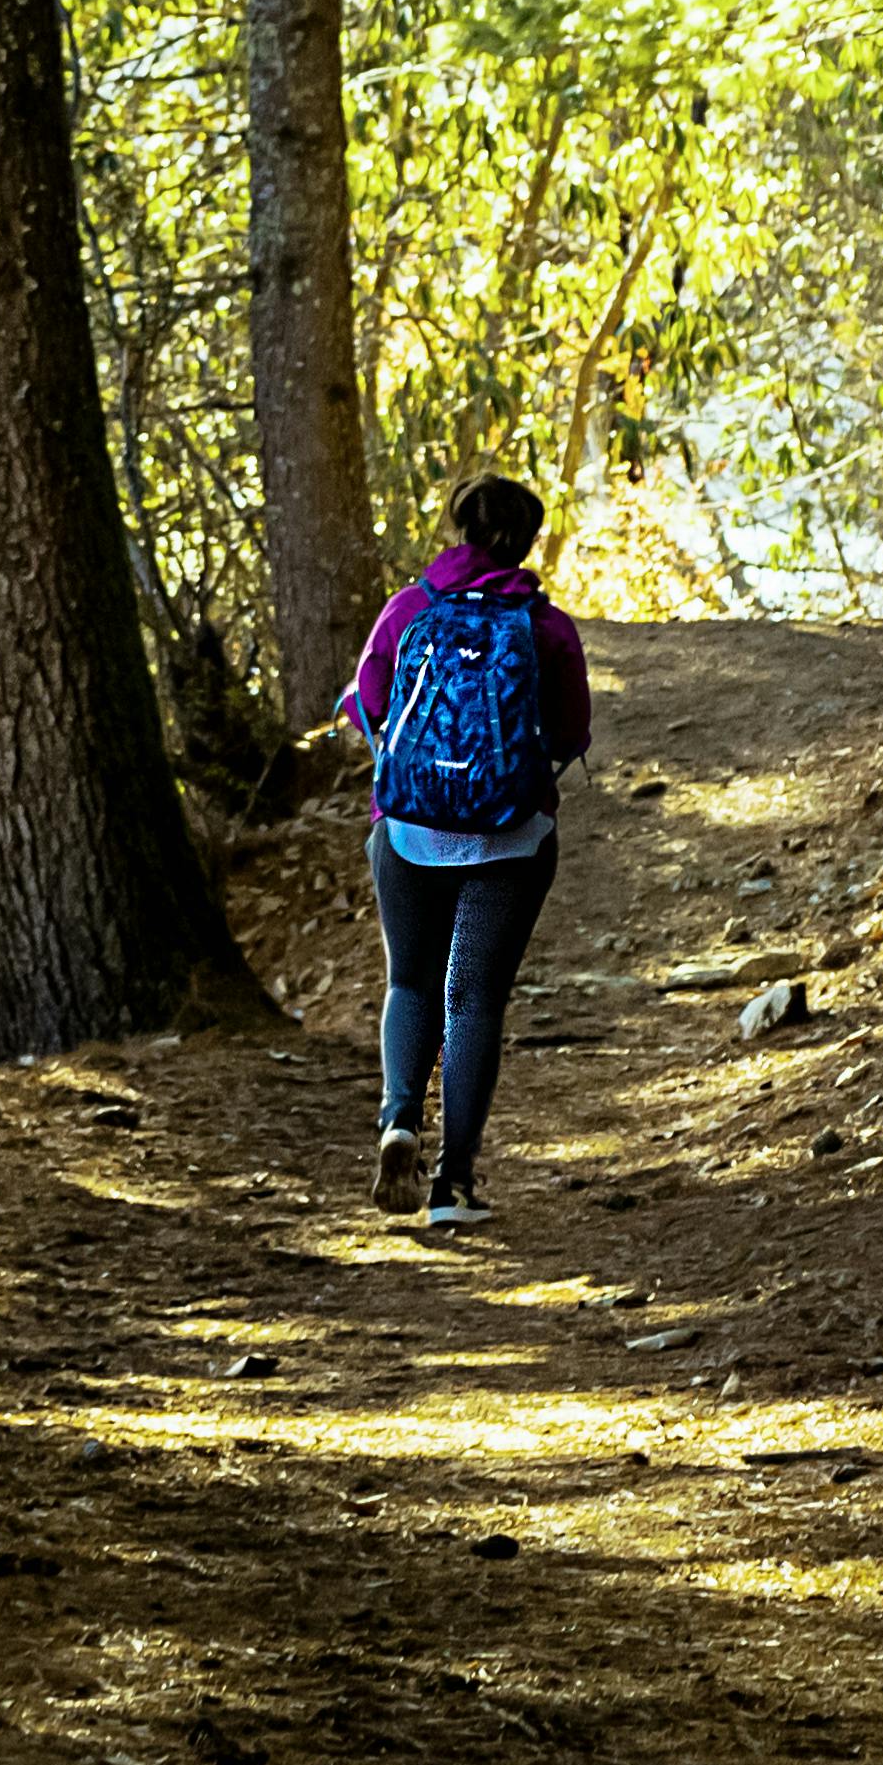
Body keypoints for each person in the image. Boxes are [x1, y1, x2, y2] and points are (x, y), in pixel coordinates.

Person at [338, 470, 590, 1233]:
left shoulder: (409, 610)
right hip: (509, 839)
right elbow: (572, 731)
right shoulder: (544, 626)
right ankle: (452, 1185)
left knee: (410, 981)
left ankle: (398, 1118)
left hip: (409, 833)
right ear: (528, 540)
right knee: (472, 997)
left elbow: (367, 704)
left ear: (459, 530)